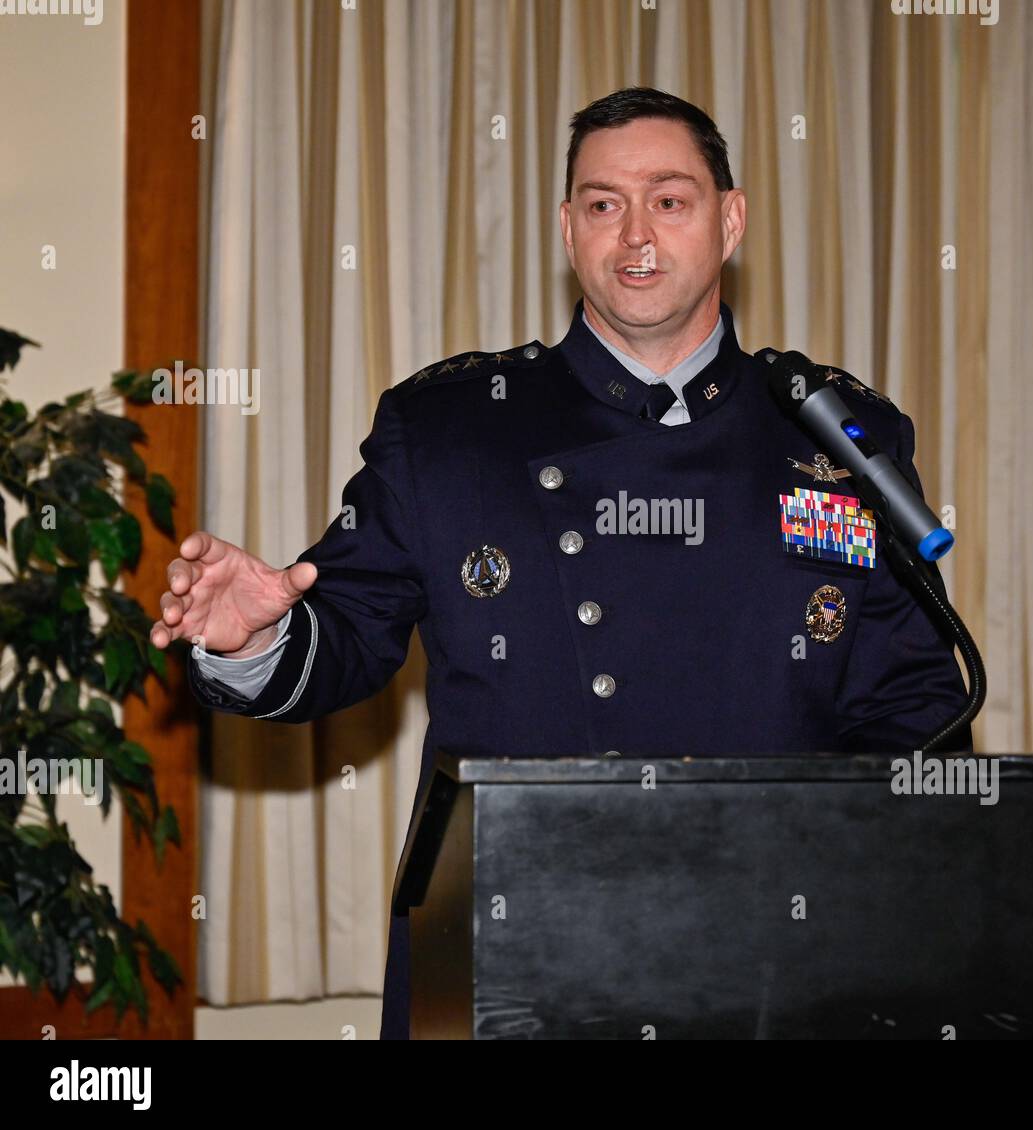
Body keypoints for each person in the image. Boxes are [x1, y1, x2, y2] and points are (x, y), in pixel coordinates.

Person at [154, 87, 972, 1039]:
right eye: (601, 203)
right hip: (510, 956)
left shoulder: (834, 436)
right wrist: (258, 637)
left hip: (775, 963)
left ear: (730, 219)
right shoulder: (452, 429)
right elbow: (345, 635)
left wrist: (841, 888)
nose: (635, 234)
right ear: (566, 228)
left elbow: (914, 711)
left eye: (670, 200)